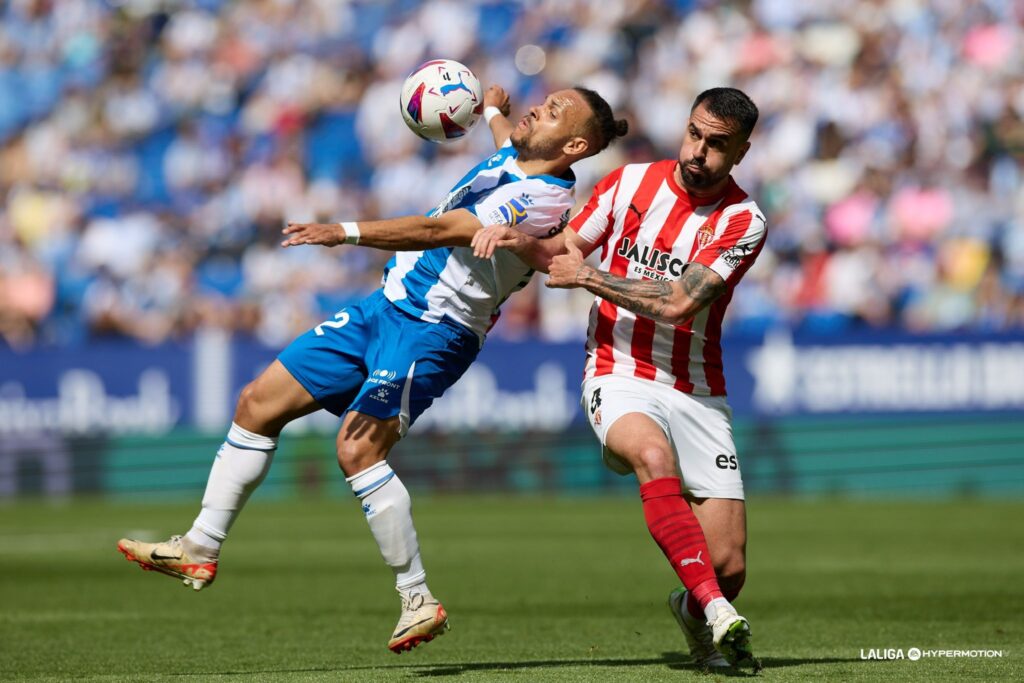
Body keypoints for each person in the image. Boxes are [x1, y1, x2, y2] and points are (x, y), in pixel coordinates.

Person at [117, 83, 627, 653]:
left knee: (357, 450)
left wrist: (345, 232)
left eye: (554, 110)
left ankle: (417, 599)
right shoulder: (519, 151)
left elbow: (440, 230)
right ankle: (200, 547)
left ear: (577, 145)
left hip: (434, 331)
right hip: (380, 308)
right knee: (256, 403)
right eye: (544, 100)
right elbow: (510, 137)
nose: (539, 108)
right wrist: (491, 111)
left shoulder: (543, 201)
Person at [472, 87, 763, 669]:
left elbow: (680, 302)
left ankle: (696, 603)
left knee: (728, 566)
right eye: (694, 135)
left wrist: (589, 278)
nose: (698, 152)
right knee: (652, 456)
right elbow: (565, 249)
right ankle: (717, 614)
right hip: (617, 368)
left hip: (697, 389)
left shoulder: (743, 221)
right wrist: (522, 240)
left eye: (717, 145)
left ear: (741, 153)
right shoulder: (628, 183)